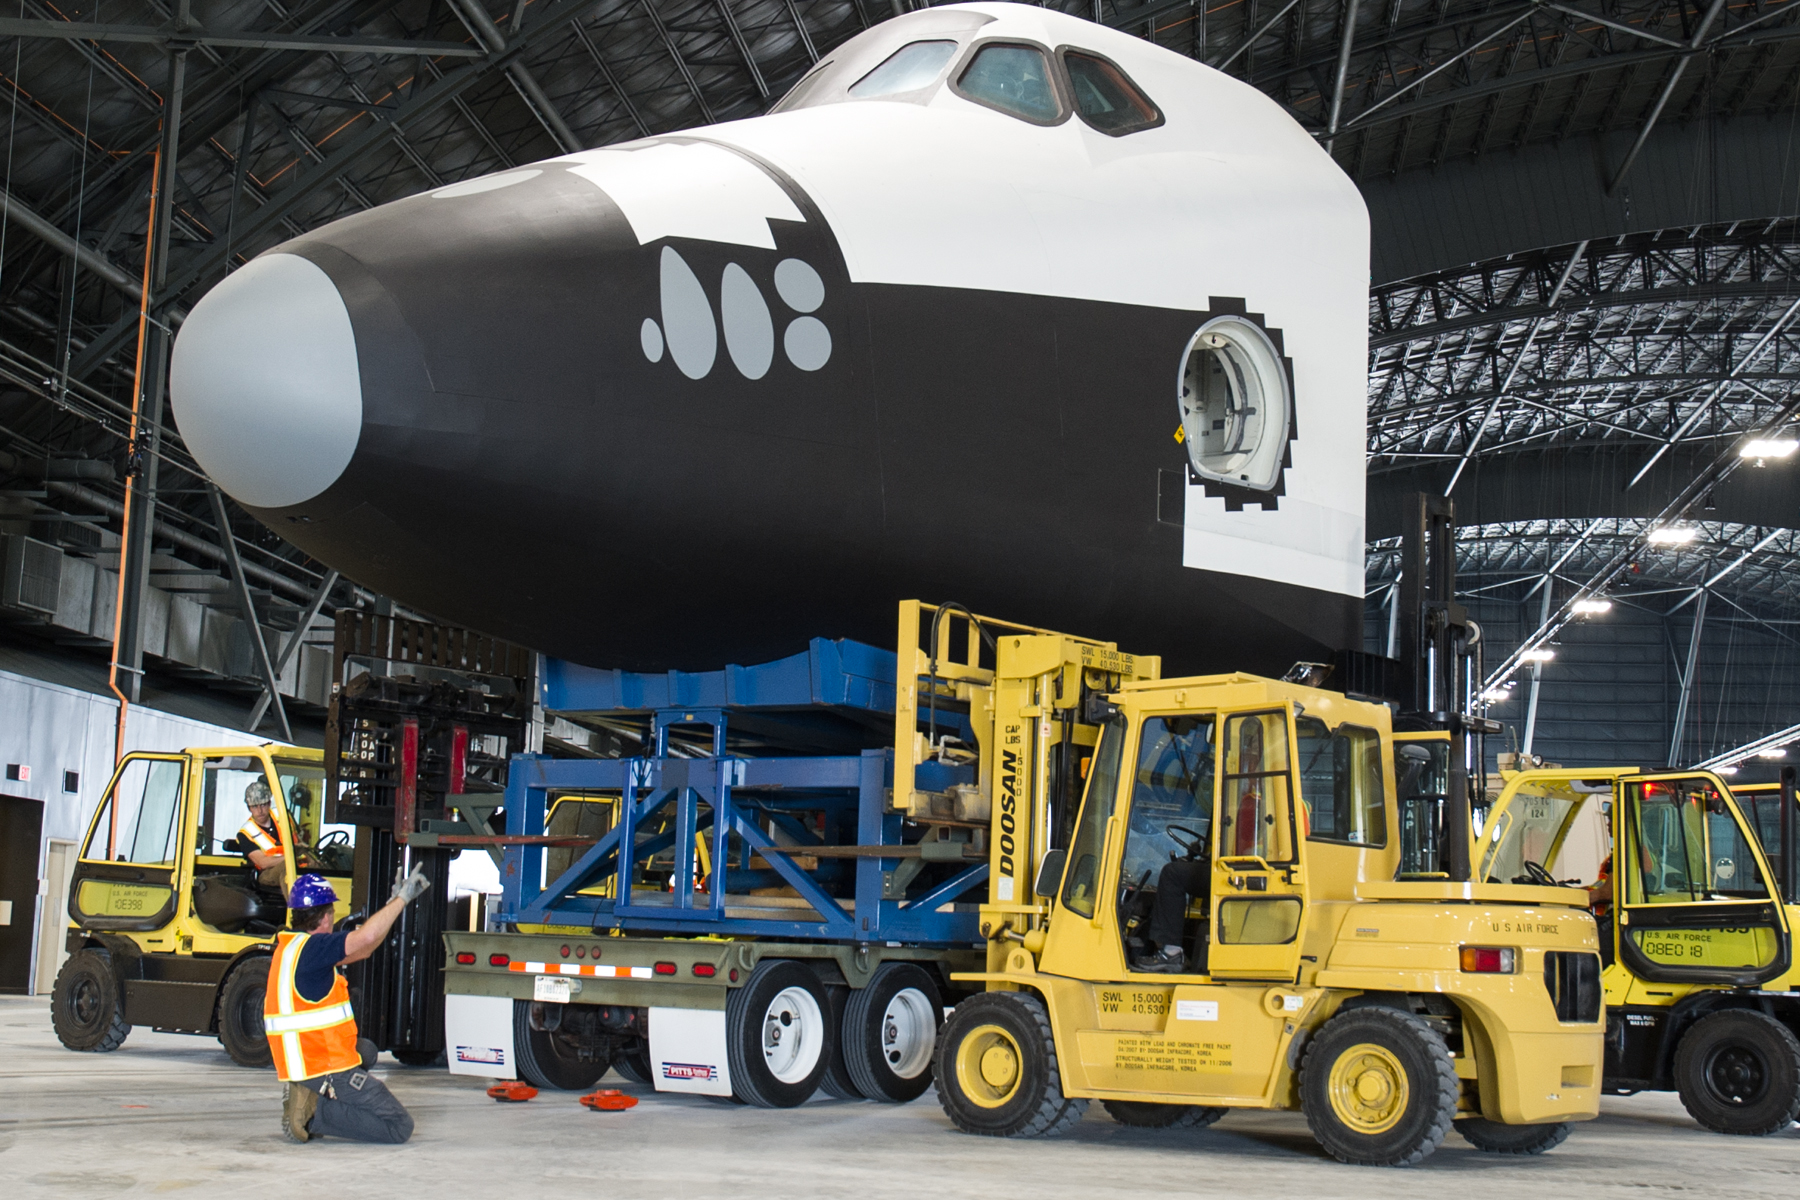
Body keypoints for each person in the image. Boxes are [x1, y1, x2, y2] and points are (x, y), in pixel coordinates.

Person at [267, 866, 432, 1144]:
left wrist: (392, 906)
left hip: (300, 1057)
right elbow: (365, 938)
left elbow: (364, 948)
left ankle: (307, 1089)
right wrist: (402, 899)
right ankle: (312, 1114)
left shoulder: (293, 947)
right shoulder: (316, 948)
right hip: (321, 1065)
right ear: (327, 915)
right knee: (399, 1126)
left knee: (366, 1051)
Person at [239, 780, 292, 889]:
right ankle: (294, 905)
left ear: (269, 803)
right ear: (249, 808)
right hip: (268, 872)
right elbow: (263, 863)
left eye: (263, 805)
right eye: (254, 806)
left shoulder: (283, 816)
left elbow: (299, 839)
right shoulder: (245, 833)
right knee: (288, 872)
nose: (260, 811)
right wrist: (291, 857)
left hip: (297, 863)